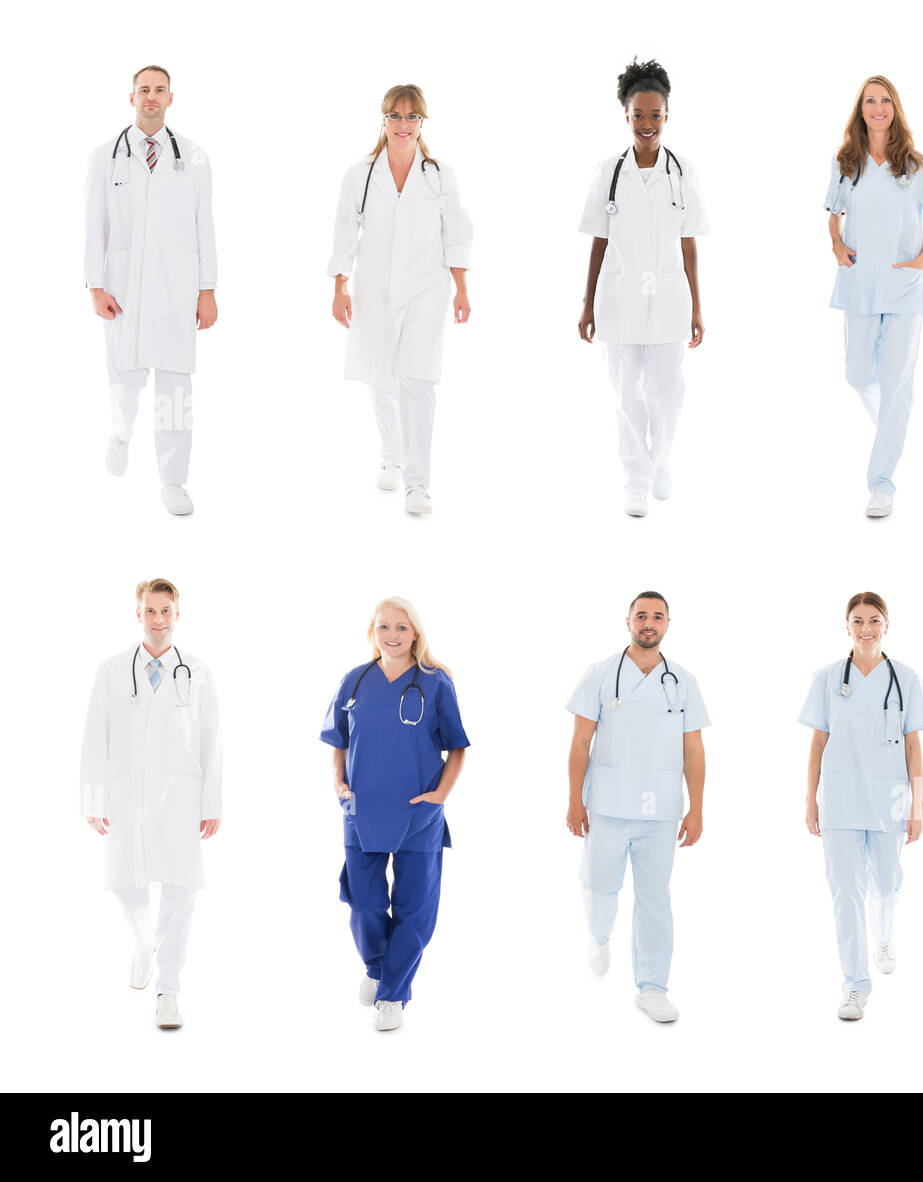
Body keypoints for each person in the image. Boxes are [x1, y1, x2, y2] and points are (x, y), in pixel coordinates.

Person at [320, 597, 469, 1031]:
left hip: (418, 811)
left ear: (415, 633)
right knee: (363, 901)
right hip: (362, 809)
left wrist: (440, 795)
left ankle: (393, 994)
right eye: (384, 627)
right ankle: (378, 965)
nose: (393, 635)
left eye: (401, 628)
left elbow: (457, 746)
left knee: (415, 907)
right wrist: (339, 784)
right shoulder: (355, 680)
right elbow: (338, 741)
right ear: (373, 632)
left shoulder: (436, 681)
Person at [80, 579, 222, 1029]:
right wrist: (94, 797)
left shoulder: (196, 671)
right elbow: (93, 736)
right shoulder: (111, 670)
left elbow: (211, 740)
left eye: (166, 611)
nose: (158, 619)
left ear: (178, 615)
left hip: (181, 795)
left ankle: (168, 991)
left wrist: (211, 802)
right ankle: (143, 943)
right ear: (137, 615)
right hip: (125, 793)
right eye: (150, 611)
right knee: (127, 886)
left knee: (180, 894)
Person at [330, 85, 473, 516]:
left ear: (422, 123)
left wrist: (462, 287)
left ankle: (418, 483)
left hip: (428, 288)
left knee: (419, 380)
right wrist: (339, 285)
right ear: (384, 120)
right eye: (396, 116)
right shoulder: (361, 174)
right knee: (380, 376)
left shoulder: (439, 175)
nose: (404, 125)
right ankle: (392, 454)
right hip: (374, 288)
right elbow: (343, 231)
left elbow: (457, 234)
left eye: (413, 117)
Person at [565, 592, 708, 1022]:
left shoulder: (682, 681)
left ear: (668, 623)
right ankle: (599, 934)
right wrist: (574, 799)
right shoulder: (601, 675)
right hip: (607, 804)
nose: (649, 623)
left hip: (660, 810)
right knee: (600, 887)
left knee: (654, 900)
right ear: (627, 620)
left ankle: (652, 987)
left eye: (657, 617)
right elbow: (579, 743)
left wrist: (697, 808)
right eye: (641, 615)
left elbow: (694, 750)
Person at [84, 65, 217, 517]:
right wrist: (95, 285)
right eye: (145, 89)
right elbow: (94, 225)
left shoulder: (193, 156)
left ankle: (173, 480)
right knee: (125, 384)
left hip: (177, 292)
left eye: (160, 90)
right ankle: (120, 433)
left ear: (170, 98)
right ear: (132, 97)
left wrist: (207, 289)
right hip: (123, 291)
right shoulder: (106, 156)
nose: (152, 97)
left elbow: (206, 227)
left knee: (175, 395)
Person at [578, 59, 709, 518]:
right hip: (618, 300)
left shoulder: (684, 172)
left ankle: (662, 461)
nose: (647, 124)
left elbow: (689, 244)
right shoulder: (607, 172)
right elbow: (599, 239)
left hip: (671, 299)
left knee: (669, 390)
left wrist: (697, 306)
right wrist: (587, 304)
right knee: (626, 393)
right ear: (627, 116)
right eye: (639, 115)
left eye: (655, 115)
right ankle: (636, 480)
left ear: (667, 115)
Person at [799, 592, 923, 1019]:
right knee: (845, 892)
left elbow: (913, 744)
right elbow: (818, 740)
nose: (866, 628)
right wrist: (809, 797)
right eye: (857, 621)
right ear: (847, 626)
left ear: (886, 625)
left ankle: (883, 936)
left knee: (887, 884)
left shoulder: (906, 677)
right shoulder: (827, 678)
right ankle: (855, 985)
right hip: (840, 800)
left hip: (889, 798)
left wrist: (918, 803)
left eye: (874, 620)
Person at [824, 76, 923, 520]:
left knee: (897, 387)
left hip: (903, 287)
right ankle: (893, 431)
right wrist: (836, 246)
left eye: (885, 100)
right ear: (861, 110)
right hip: (859, 282)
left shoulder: (917, 166)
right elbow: (834, 217)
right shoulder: (845, 163)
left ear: (895, 108)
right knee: (858, 374)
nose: (878, 108)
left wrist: (921, 261)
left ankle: (881, 484)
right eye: (870, 101)